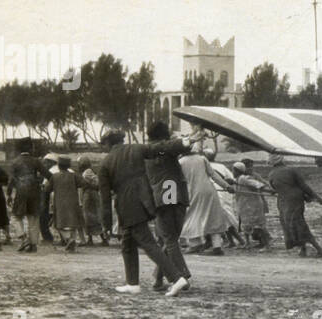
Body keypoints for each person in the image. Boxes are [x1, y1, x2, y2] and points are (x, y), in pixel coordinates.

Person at [97, 129, 188, 295]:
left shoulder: (105, 164)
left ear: (108, 143)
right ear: (121, 140)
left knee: (148, 243)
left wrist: (106, 225)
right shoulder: (136, 149)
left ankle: (177, 278)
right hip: (144, 200)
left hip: (126, 205)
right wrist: (183, 143)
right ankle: (132, 283)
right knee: (127, 243)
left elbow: (104, 199)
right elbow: (160, 148)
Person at [143, 121, 192, 290]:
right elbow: (184, 147)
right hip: (172, 193)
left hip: (163, 195)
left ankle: (158, 278)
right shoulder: (164, 148)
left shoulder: (148, 151)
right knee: (171, 239)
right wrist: (193, 136)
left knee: (168, 240)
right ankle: (181, 274)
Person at [268, 153, 322, 257]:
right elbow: (303, 186)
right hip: (294, 200)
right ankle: (307, 249)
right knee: (298, 223)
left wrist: (316, 198)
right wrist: (316, 197)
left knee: (294, 224)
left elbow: (274, 189)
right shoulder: (291, 170)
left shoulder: (271, 174)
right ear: (282, 160)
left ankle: (317, 250)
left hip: (283, 201)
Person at [179, 143, 232, 255]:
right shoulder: (202, 159)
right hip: (209, 191)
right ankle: (217, 247)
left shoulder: (180, 162)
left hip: (192, 192)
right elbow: (213, 175)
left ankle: (195, 244)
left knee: (191, 216)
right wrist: (227, 186)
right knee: (213, 217)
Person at [8, 138, 47, 252]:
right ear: (30, 148)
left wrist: (9, 194)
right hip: (35, 191)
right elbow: (47, 174)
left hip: (21, 191)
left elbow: (11, 180)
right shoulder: (36, 161)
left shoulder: (15, 162)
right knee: (33, 218)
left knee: (15, 217)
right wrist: (40, 181)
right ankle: (33, 245)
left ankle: (23, 238)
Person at [232, 161, 271, 249]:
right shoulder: (237, 179)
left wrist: (266, 189)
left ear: (237, 171)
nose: (232, 173)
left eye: (233, 170)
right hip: (244, 205)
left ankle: (267, 245)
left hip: (254, 205)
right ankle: (247, 243)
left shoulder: (244, 178)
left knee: (259, 224)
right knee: (245, 224)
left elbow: (258, 184)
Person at [48, 156, 83, 252]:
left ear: (58, 166)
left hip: (59, 203)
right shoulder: (74, 175)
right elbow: (84, 184)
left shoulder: (54, 176)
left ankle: (68, 239)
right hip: (73, 202)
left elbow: (47, 189)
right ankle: (72, 241)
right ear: (69, 166)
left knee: (58, 224)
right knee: (73, 223)